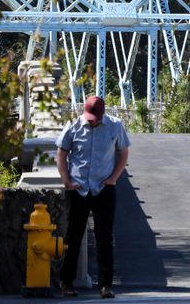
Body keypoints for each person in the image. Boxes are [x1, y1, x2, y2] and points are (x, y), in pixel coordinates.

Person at [57, 95, 131, 299]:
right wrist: (66, 181)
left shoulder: (115, 126)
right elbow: (61, 153)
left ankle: (105, 285)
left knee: (104, 237)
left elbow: (123, 153)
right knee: (73, 235)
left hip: (103, 188)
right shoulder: (73, 126)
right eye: (89, 118)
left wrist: (114, 178)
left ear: (103, 114)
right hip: (78, 187)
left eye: (95, 118)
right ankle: (67, 282)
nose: (92, 121)